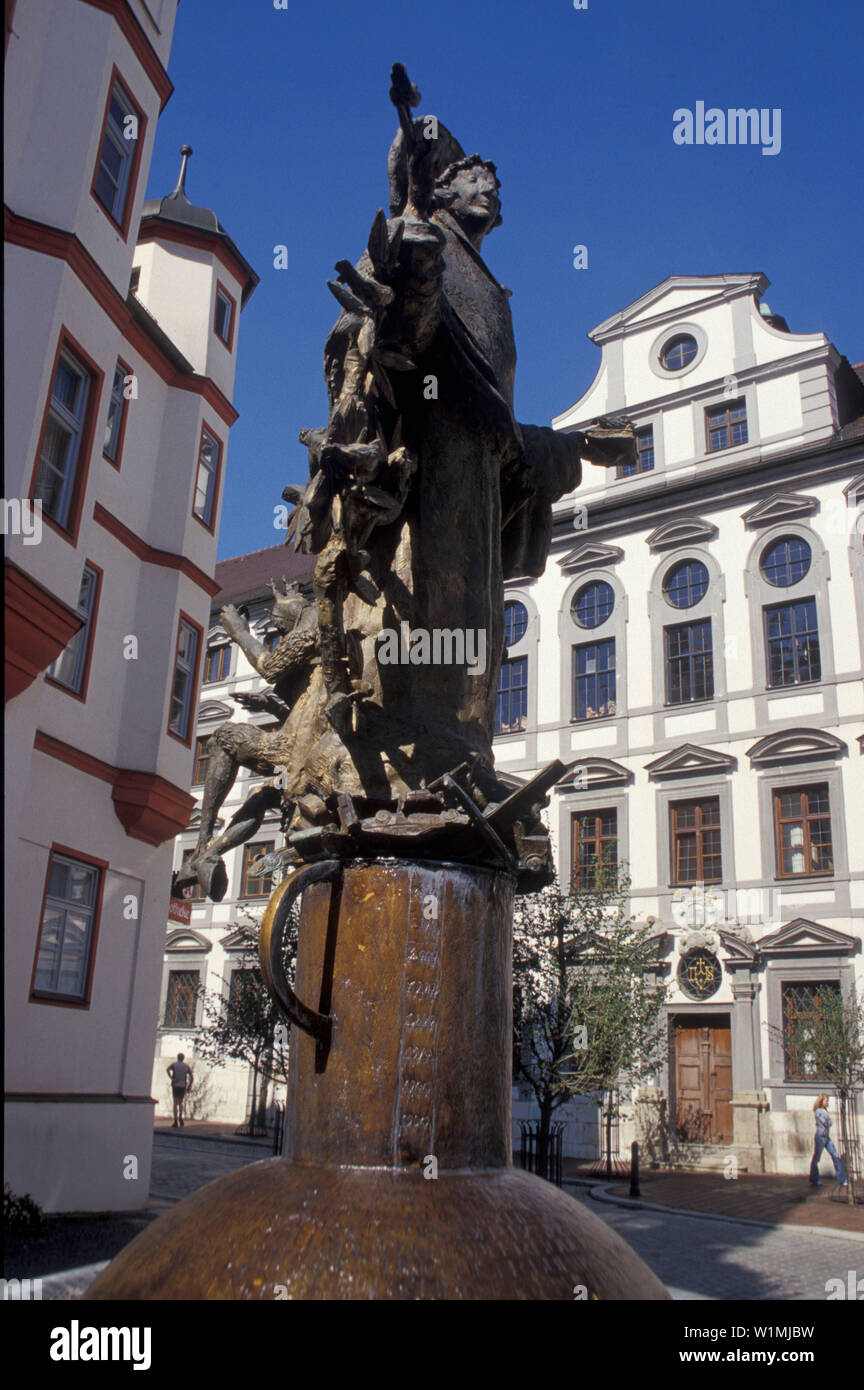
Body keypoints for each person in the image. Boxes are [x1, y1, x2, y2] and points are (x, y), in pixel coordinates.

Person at [809, 1094, 847, 1187]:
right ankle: (814, 1178)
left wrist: (828, 1122)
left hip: (826, 1137)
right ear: (821, 1101)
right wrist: (828, 1122)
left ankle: (842, 1179)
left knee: (835, 1156)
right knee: (817, 1158)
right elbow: (826, 1123)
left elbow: (827, 1122)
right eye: (826, 1100)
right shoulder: (818, 1111)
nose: (828, 1102)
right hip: (820, 1137)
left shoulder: (824, 1111)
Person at [167, 1053, 193, 1129]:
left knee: (175, 1103)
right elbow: (192, 1077)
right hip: (183, 1085)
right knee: (181, 1102)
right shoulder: (186, 1066)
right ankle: (180, 1117)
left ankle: (175, 1120)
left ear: (177, 1058)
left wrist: (172, 1078)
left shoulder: (174, 1065)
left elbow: (167, 1069)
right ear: (183, 1058)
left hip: (175, 1085)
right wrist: (189, 1085)